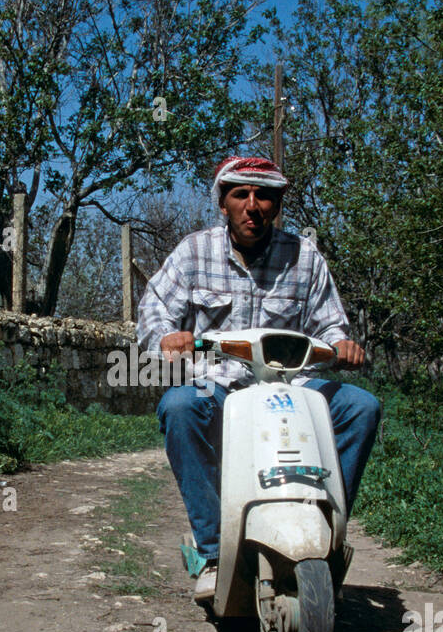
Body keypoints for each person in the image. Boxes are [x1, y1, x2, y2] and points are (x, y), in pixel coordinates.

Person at [136, 156, 381, 602]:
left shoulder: (304, 256)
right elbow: (153, 312)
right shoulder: (193, 252)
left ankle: (327, 534)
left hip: (291, 384)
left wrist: (341, 345)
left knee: (361, 407)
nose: (253, 206)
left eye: (264, 195)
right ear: (223, 203)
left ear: (278, 204)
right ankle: (212, 552)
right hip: (217, 382)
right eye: (240, 195)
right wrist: (167, 337)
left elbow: (329, 326)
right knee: (179, 407)